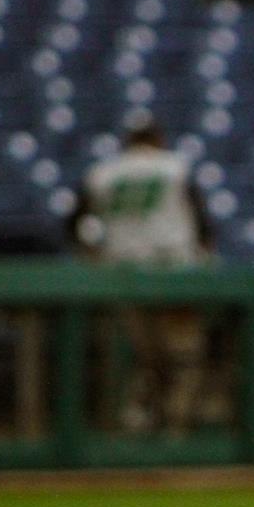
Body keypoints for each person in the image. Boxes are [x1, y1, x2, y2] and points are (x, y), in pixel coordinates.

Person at [69, 115, 214, 433]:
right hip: (174, 274)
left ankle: (134, 422)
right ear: (158, 140)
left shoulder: (103, 172)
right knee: (184, 356)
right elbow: (203, 226)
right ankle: (177, 426)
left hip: (123, 278)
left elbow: (74, 226)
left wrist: (94, 255)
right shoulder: (173, 166)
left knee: (142, 356)